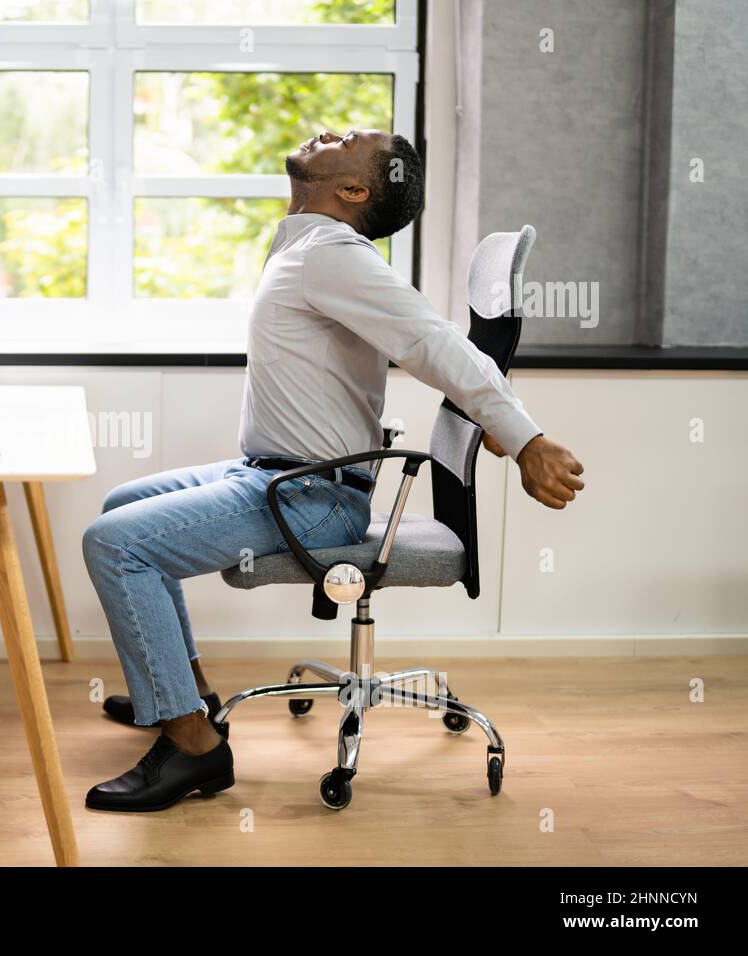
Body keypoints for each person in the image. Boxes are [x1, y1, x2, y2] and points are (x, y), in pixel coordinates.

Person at [81, 129, 585, 813]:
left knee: (117, 545)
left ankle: (196, 749)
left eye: (351, 141)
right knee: (120, 506)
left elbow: (434, 342)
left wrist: (523, 436)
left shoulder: (337, 256)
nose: (332, 131)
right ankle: (184, 698)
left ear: (353, 191)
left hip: (309, 496)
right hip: (272, 474)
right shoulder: (305, 245)